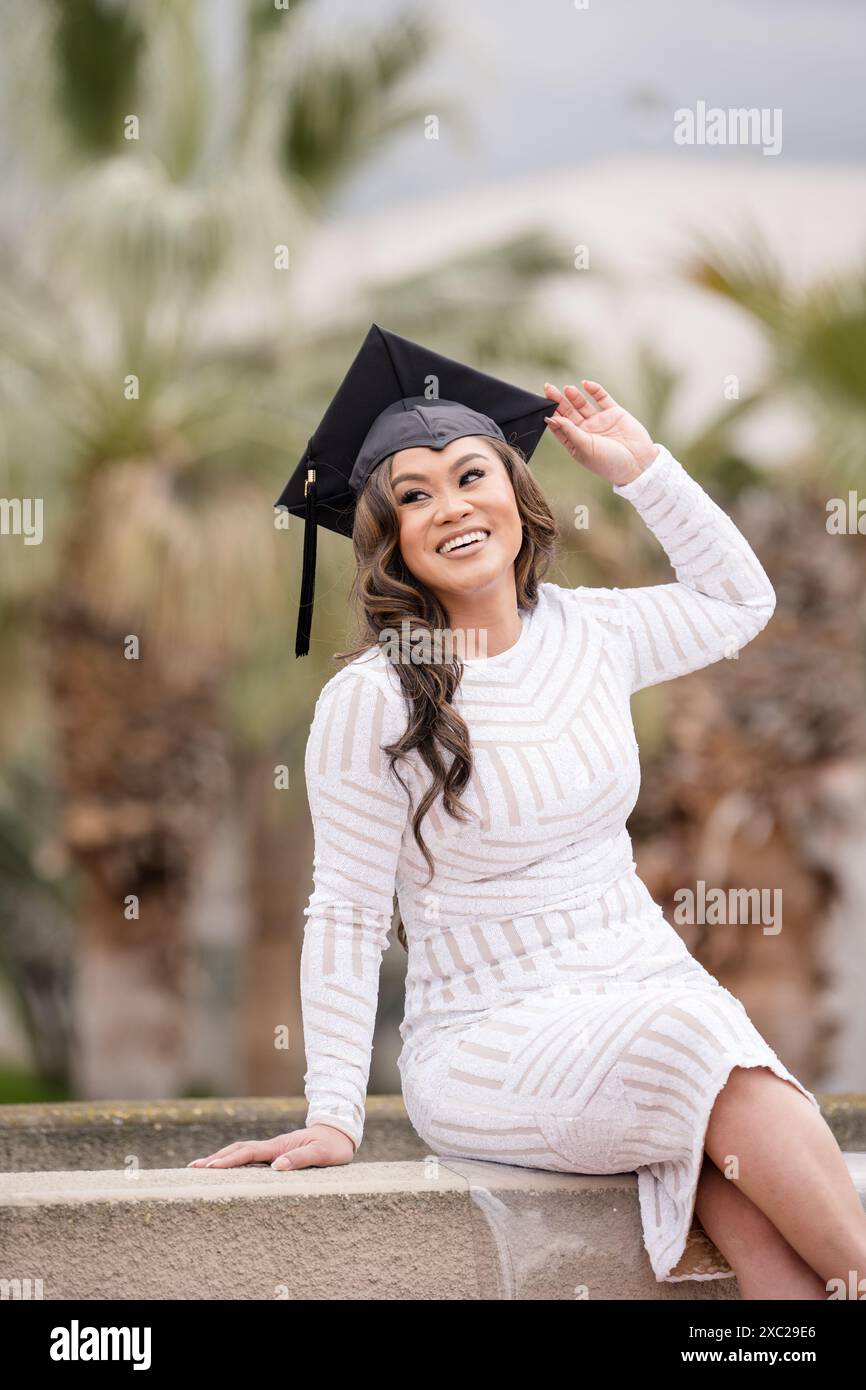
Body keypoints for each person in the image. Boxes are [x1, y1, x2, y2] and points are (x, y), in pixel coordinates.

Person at [188, 325, 866, 1297]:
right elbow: (341, 909)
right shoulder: (373, 699)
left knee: (747, 1183)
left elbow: (737, 601)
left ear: (514, 493)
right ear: (390, 541)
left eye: (470, 475)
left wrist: (645, 471)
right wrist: (334, 1112)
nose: (450, 506)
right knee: (702, 1049)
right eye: (413, 496)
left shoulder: (590, 630)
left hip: (647, 991)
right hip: (483, 1040)